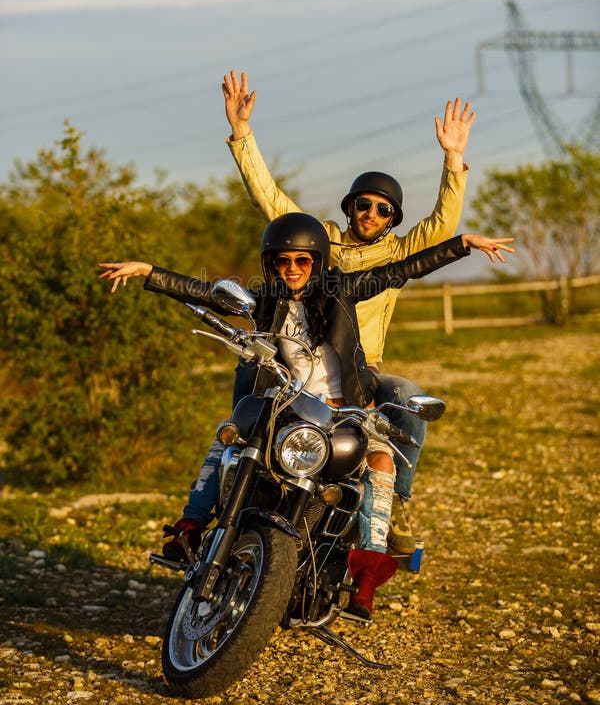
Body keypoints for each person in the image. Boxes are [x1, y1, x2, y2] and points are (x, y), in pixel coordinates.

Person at [99, 214, 514, 618]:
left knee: (381, 460)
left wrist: (461, 245)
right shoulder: (267, 303)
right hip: (290, 405)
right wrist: (150, 272)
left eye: (302, 260)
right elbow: (207, 292)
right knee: (230, 433)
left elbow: (400, 270)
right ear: (271, 264)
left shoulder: (341, 290)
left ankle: (366, 573)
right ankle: (190, 526)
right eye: (282, 261)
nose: (292, 269)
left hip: (343, 408)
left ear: (316, 261)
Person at [220, 69, 475, 554]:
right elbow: (270, 199)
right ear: (350, 205)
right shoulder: (320, 241)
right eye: (364, 204)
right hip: (295, 360)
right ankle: (220, 487)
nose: (372, 214)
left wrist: (454, 160)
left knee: (407, 398)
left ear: (393, 219)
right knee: (245, 385)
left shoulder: (399, 252)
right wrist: (242, 133)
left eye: (384, 210)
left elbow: (443, 225)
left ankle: (395, 502)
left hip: (359, 368)